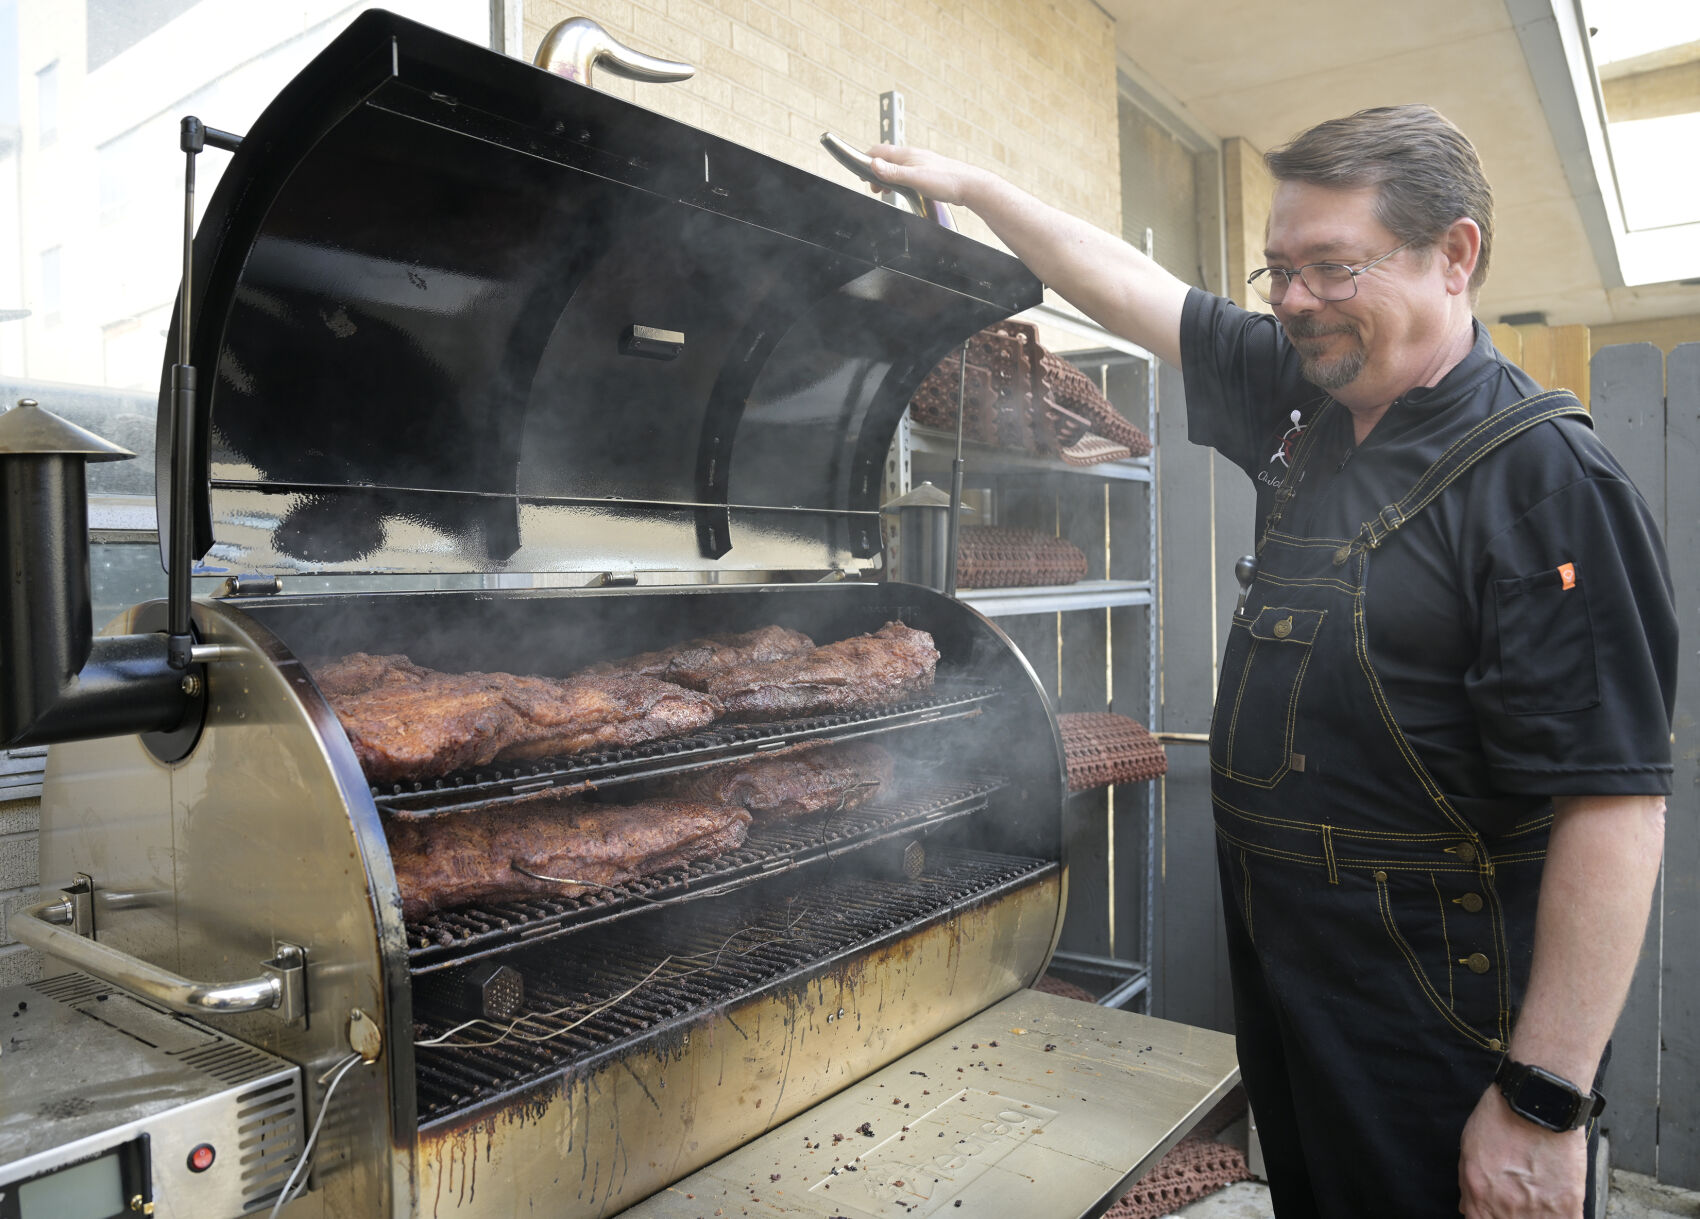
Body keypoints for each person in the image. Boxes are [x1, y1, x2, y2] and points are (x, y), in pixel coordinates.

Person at [867, 104, 1676, 1219]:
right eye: (1278, 271)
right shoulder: (1310, 396)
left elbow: (1612, 808)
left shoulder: (1545, 483)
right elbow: (1131, 286)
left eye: (1332, 266)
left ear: (1454, 256)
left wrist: (1541, 1103)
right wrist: (977, 189)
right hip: (1295, 985)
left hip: (1442, 1019)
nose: (1293, 300)